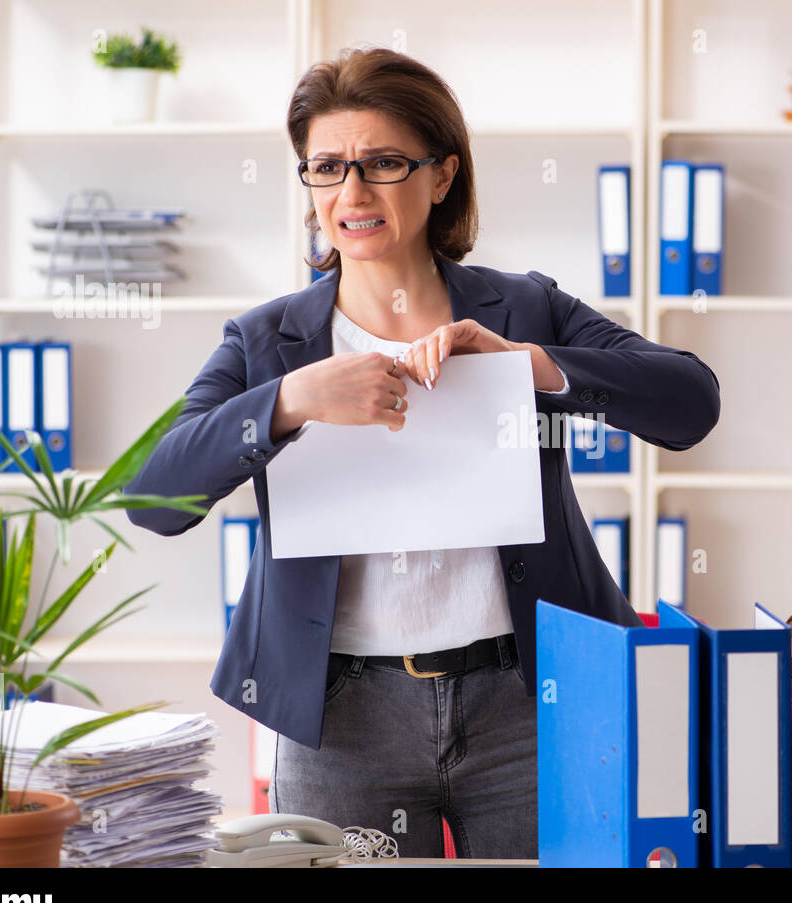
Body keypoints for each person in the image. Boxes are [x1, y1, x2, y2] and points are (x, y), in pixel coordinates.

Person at [123, 47, 720, 860]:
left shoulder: (525, 308)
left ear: (442, 176)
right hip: (343, 722)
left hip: (527, 701)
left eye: (384, 163)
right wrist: (293, 401)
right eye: (326, 167)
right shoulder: (271, 342)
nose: (352, 193)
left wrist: (532, 366)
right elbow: (153, 497)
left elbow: (690, 400)